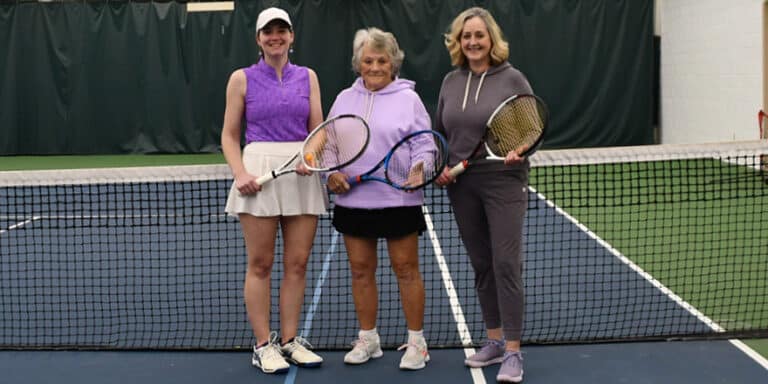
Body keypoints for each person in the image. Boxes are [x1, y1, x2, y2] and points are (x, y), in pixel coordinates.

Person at [221, 7, 326, 374]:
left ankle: (290, 340)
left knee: (297, 263)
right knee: (260, 264)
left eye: (282, 30)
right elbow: (229, 135)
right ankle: (264, 345)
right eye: (269, 31)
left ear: (292, 36)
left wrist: (310, 155)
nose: (275, 36)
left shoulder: (308, 77)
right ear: (259, 38)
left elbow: (319, 130)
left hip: (301, 173)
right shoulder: (241, 79)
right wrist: (240, 173)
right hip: (258, 170)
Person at [434, 7, 533, 383]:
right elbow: (441, 133)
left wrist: (521, 148)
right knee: (482, 264)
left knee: (506, 263)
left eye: (479, 35)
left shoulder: (512, 78)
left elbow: (532, 128)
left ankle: (513, 351)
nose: (473, 42)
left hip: (504, 181)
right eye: (466, 36)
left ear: (492, 38)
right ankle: (493, 341)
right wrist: (441, 166)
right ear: (458, 42)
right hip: (463, 186)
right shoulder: (450, 81)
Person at [325, 27, 431, 370]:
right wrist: (331, 174)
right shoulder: (344, 99)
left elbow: (424, 143)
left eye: (382, 61)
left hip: (399, 200)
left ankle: (417, 343)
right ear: (358, 63)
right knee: (360, 271)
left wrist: (419, 169)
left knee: (406, 270)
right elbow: (328, 143)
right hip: (353, 201)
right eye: (368, 60)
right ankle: (368, 339)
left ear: (393, 63)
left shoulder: (409, 100)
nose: (374, 67)